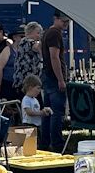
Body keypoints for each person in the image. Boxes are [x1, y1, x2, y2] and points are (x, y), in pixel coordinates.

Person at [40, 10, 70, 152]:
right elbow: (54, 57)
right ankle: (57, 144)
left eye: (67, 21)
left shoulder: (47, 32)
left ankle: (45, 142)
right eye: (63, 21)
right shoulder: (55, 34)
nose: (66, 24)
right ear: (55, 19)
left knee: (47, 112)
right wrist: (61, 79)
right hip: (54, 77)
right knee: (57, 113)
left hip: (48, 76)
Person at [0, 23, 19, 101]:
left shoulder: (23, 50)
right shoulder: (8, 49)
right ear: (15, 37)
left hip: (19, 86)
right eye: (21, 36)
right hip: (7, 84)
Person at [13, 21, 43, 93]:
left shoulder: (23, 42)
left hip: (24, 81)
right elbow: (36, 47)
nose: (39, 36)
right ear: (30, 32)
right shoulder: (28, 42)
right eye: (38, 33)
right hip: (27, 83)